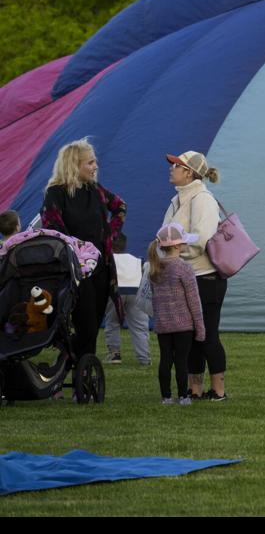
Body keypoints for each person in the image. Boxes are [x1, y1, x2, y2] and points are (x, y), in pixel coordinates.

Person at [41, 139, 127, 368]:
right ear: (74, 164)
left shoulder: (95, 191)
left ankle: (81, 375)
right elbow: (53, 227)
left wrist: (110, 231)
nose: (95, 166)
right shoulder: (55, 193)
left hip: (101, 269)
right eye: (90, 162)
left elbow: (120, 207)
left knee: (94, 324)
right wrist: (76, 250)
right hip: (74, 271)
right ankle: (67, 368)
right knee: (85, 325)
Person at [159, 150, 228, 398]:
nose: (171, 168)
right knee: (190, 336)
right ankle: (195, 389)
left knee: (207, 334)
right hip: (187, 276)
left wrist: (174, 253)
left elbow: (202, 238)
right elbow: (163, 236)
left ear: (189, 172)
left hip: (206, 278)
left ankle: (218, 391)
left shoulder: (203, 199)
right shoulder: (177, 200)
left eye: (176, 165)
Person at [147, 224, 204, 405]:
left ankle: (166, 397)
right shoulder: (184, 268)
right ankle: (183, 396)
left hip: (163, 324)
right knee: (181, 360)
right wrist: (200, 328)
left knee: (165, 360)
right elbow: (194, 301)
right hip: (183, 324)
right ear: (178, 245)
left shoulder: (154, 268)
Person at [104, 233, 150, 367]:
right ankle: (144, 358)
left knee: (112, 322)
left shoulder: (108, 260)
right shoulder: (136, 260)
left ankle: (114, 354)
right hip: (135, 291)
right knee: (140, 326)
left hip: (115, 293)